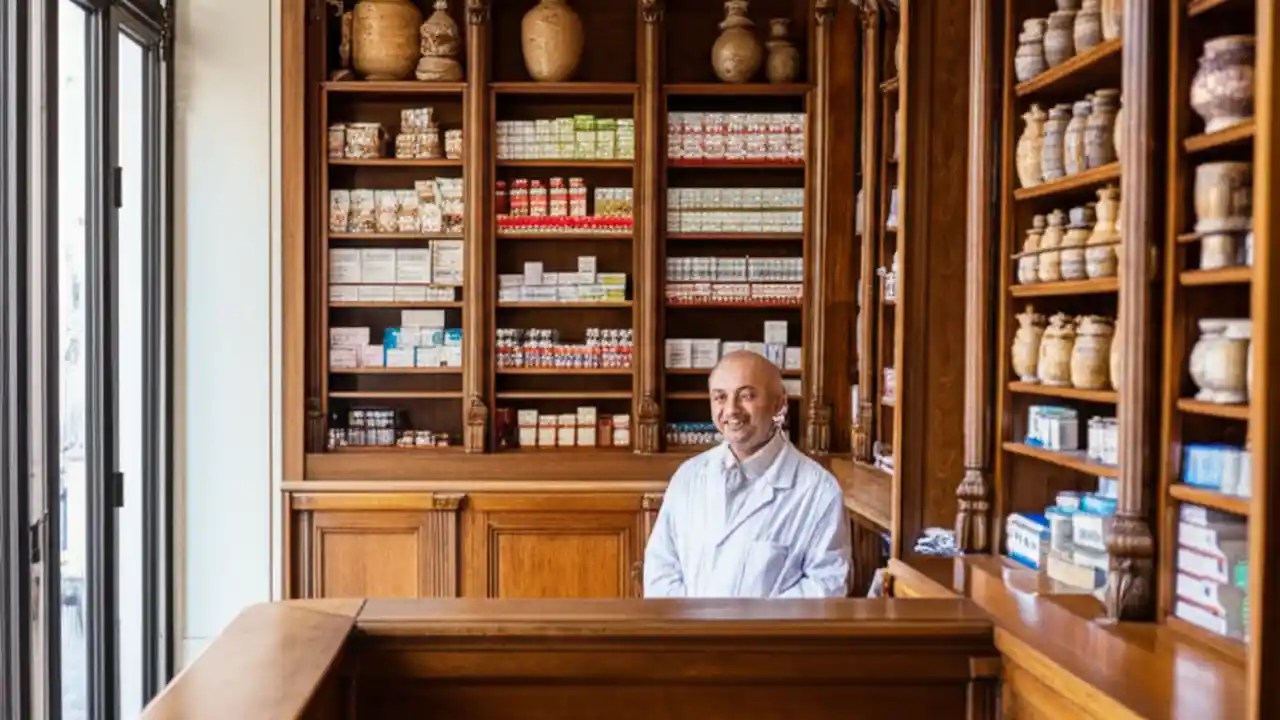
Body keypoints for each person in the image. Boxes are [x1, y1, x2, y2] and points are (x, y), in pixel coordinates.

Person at [643, 350, 852, 598]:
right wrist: (692, 631)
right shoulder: (688, 477)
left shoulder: (819, 491)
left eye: (747, 395)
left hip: (768, 637)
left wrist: (745, 630)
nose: (732, 409)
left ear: (780, 404)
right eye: (720, 397)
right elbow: (660, 569)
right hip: (688, 634)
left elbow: (826, 587)